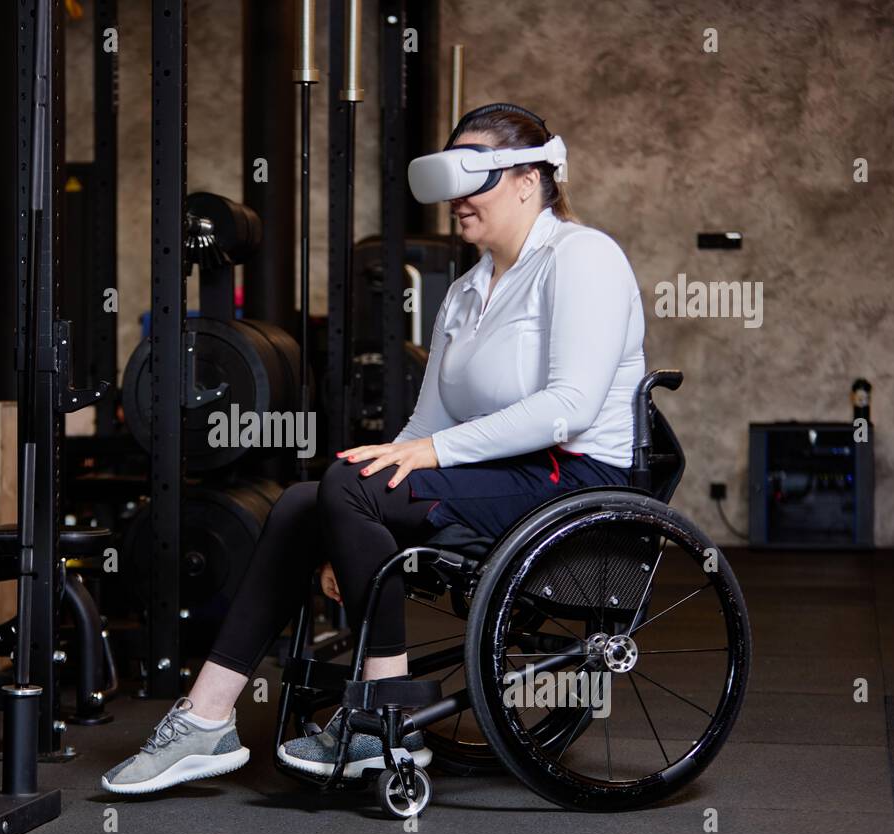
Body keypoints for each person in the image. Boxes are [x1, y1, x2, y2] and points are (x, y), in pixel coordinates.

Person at [101, 103, 646, 794]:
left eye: (472, 179)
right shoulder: (471, 289)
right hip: (499, 473)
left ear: (528, 179)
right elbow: (425, 422)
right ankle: (205, 717)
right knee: (309, 499)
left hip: (577, 481)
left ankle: (386, 715)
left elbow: (570, 407)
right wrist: (348, 512)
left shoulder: (583, 258)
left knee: (349, 486)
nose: (456, 200)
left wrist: (420, 461)